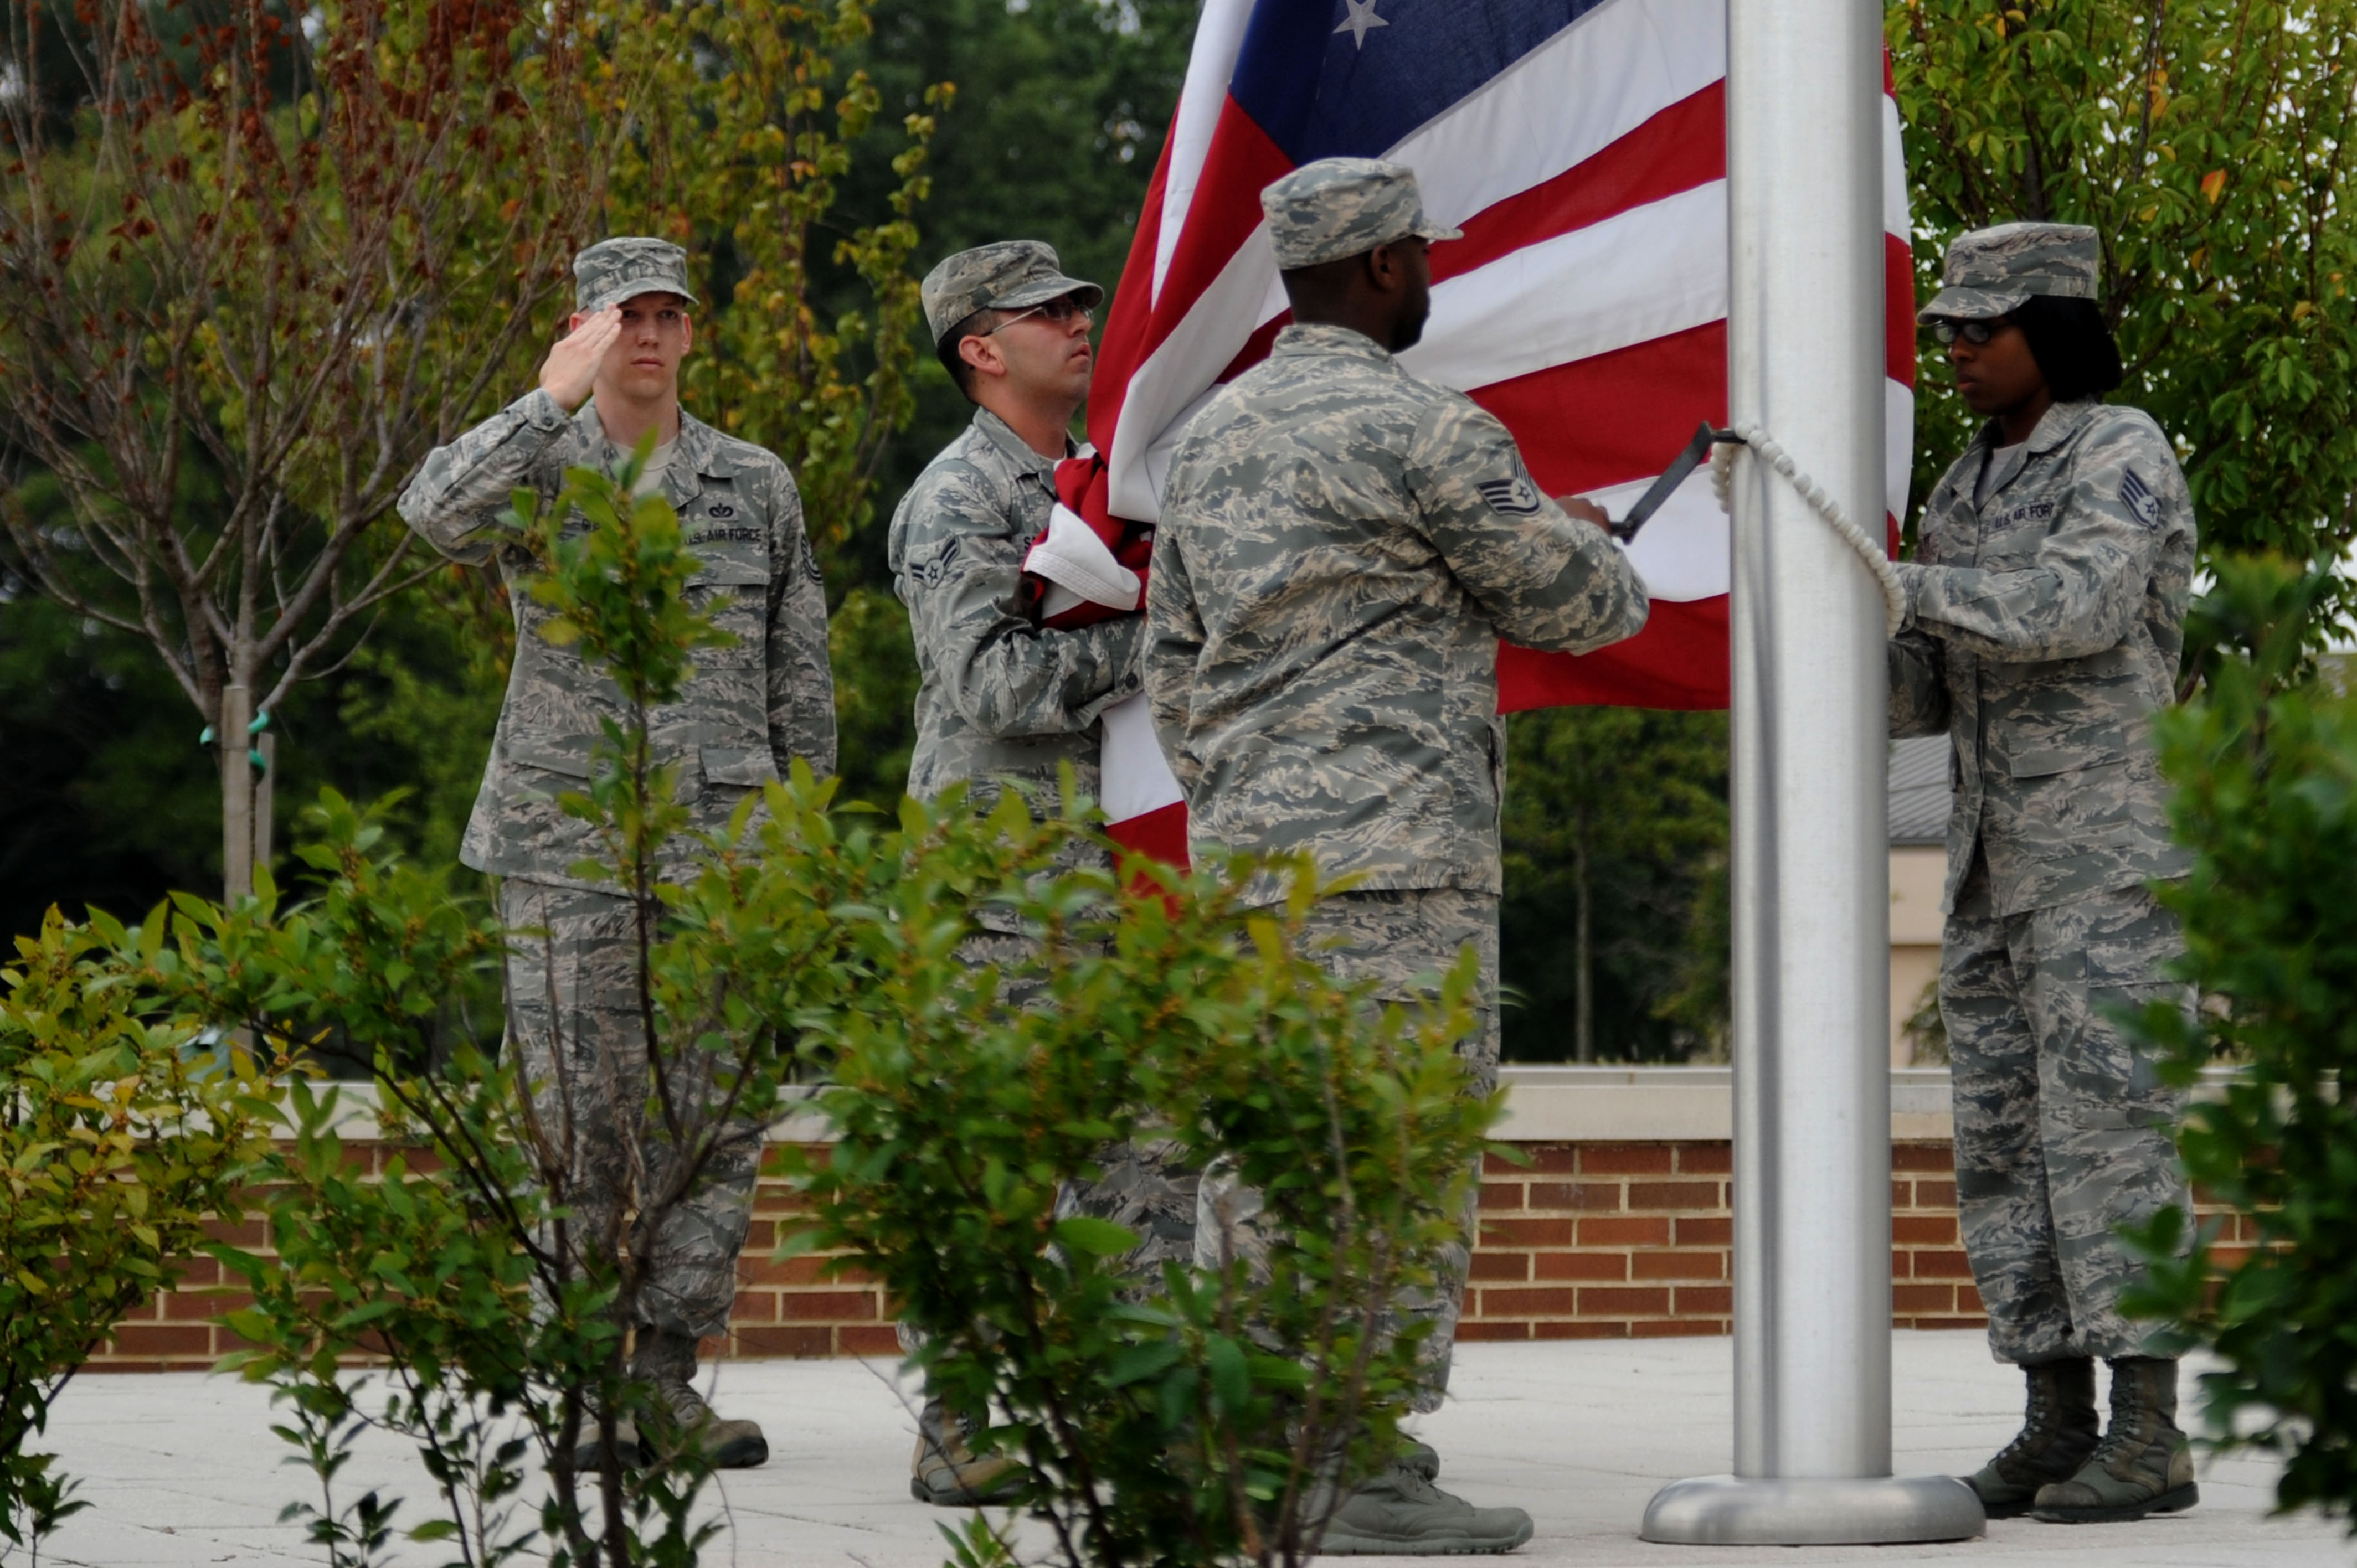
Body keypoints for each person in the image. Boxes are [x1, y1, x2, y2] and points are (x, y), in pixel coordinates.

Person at [1146, 157, 1650, 1555]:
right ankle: (1351, 1456)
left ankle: (1256, 1438)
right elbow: (1580, 606)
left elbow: (1171, 667)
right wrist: (1586, 541)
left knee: (1261, 1156)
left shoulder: (1210, 441)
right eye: (1419, 254)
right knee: (1395, 1157)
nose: (1428, 272)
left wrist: (1249, 797)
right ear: (1380, 269)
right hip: (1398, 867)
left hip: (1249, 867)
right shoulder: (1431, 429)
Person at [399, 236, 837, 1473]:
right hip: (565, 847)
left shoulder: (753, 483)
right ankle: (580, 1385)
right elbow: (429, 515)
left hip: (725, 855)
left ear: (693, 333)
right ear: (588, 327)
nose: (648, 336)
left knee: (711, 1129)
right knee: (578, 1128)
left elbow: (796, 678)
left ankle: (663, 1381)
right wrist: (549, 396)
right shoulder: (538, 469)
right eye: (624, 316)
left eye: (667, 316)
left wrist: (799, 842)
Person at [1894, 221, 2199, 1525]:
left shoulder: (2117, 448)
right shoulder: (1959, 484)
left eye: (1983, 328)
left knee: (2109, 1139)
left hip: (2097, 860)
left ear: (2054, 331)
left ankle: (2148, 1431)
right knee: (2006, 1152)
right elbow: (1921, 692)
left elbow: (2073, 608)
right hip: (1985, 867)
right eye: (1947, 331)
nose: (1957, 350)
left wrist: (1901, 584)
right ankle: (2053, 1414)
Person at [886, 240, 1195, 1505]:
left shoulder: (1113, 476)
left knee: (1147, 1156)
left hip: (1121, 874)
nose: (1082, 322)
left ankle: (1131, 1416)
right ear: (978, 346)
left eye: (1081, 303)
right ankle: (958, 1421)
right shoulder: (958, 498)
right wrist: (1158, 635)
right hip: (1003, 890)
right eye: (1048, 312)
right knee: (995, 1162)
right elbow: (995, 685)